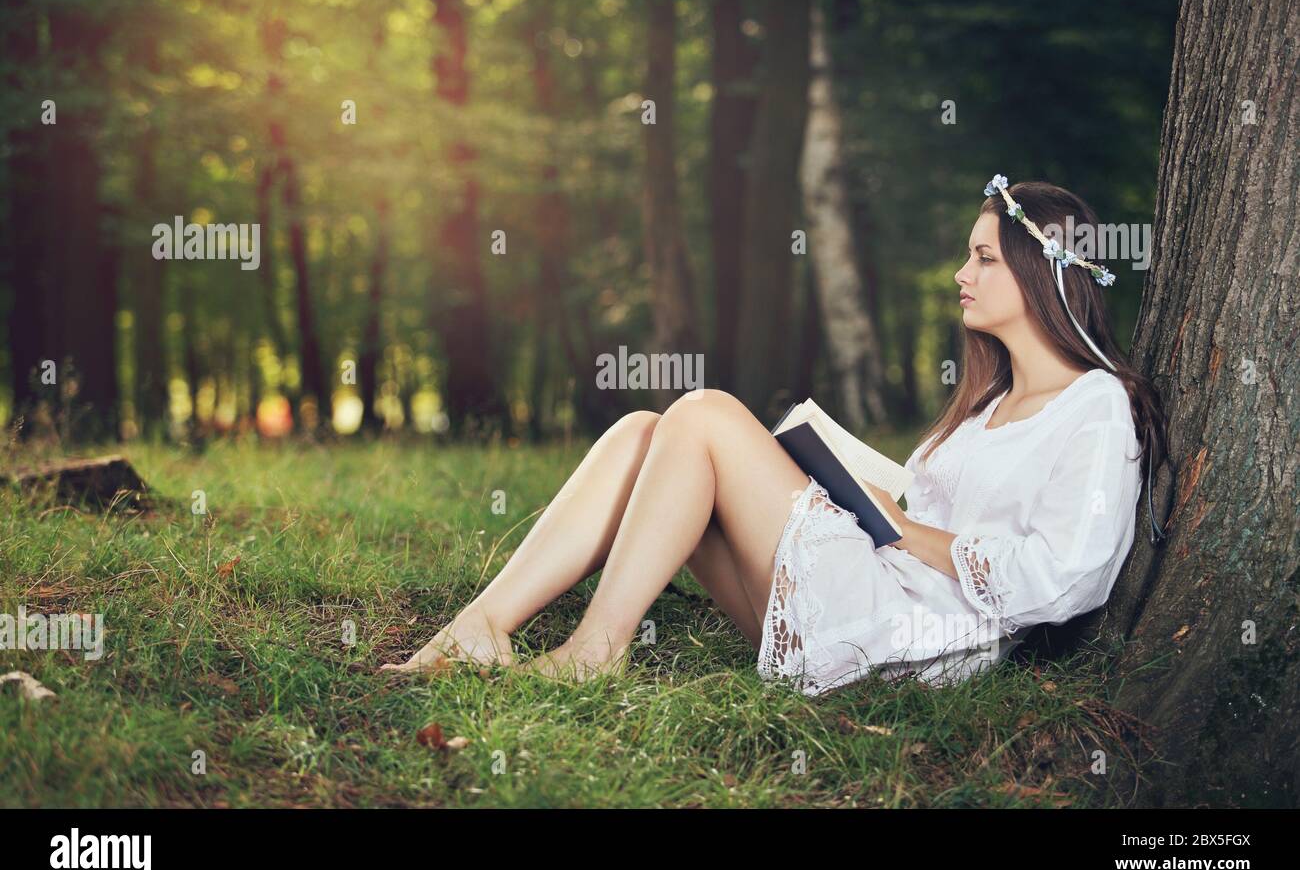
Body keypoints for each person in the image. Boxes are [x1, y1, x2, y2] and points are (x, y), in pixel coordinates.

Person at [382, 175, 1167, 696]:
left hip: (919, 638)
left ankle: (596, 650)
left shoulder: (1096, 407)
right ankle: (479, 630)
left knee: (705, 414)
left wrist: (903, 530)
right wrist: (860, 493)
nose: (961, 273)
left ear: (1040, 274)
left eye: (983, 257)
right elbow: (920, 514)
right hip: (862, 593)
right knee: (640, 432)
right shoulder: (986, 401)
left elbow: (1071, 578)